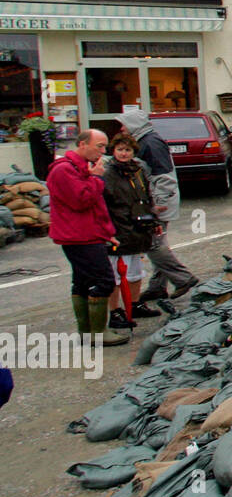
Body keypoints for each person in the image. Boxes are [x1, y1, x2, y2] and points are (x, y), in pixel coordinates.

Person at [46, 129, 128, 346]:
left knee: (82, 282)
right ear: (82, 144)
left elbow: (95, 208)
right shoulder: (64, 170)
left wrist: (106, 233)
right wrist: (97, 179)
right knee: (104, 281)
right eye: (99, 146)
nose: (103, 151)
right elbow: (82, 200)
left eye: (104, 147)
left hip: (86, 234)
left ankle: (87, 332)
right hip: (77, 237)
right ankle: (98, 333)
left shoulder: (80, 168)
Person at [117, 110, 198, 312]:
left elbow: (163, 176)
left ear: (134, 124)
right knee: (158, 241)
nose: (121, 128)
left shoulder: (150, 143)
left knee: (153, 243)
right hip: (156, 200)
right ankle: (157, 287)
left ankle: (184, 279)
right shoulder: (145, 141)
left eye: (124, 124)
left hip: (157, 201)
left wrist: (158, 203)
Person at [101, 132, 163, 327]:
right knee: (115, 274)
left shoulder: (138, 170)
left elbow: (147, 197)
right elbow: (103, 201)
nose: (123, 153)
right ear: (114, 151)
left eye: (127, 150)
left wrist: (154, 220)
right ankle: (115, 312)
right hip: (118, 228)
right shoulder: (107, 172)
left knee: (136, 271)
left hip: (139, 227)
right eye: (120, 150)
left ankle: (134, 305)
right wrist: (106, 229)